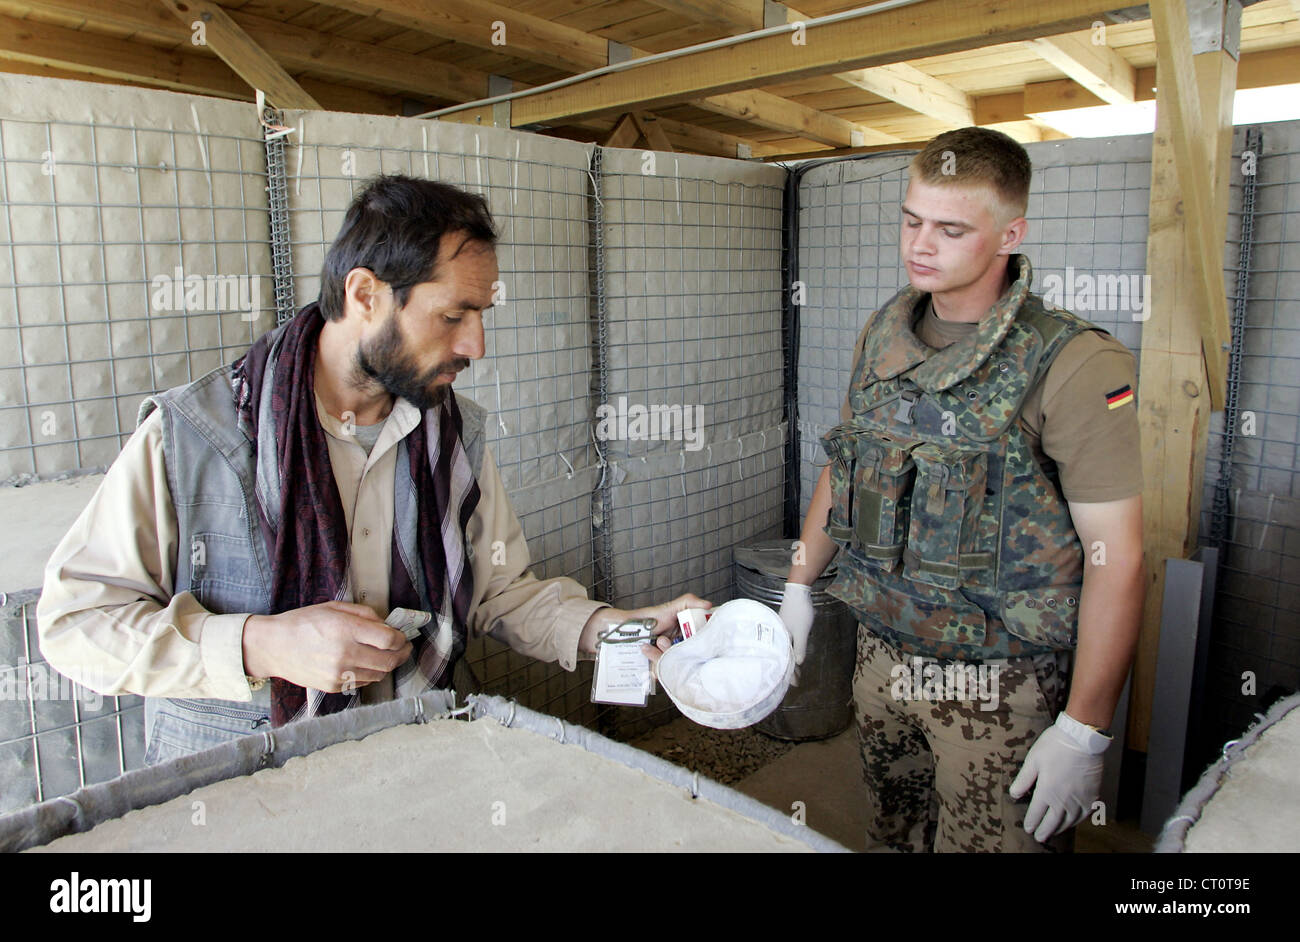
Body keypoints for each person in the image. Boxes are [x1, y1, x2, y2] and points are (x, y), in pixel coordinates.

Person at [37, 174, 702, 765]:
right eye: (452, 316)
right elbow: (75, 626)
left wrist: (614, 631)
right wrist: (260, 646)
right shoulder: (194, 435)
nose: (475, 345)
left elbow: (502, 592)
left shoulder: (454, 431)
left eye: (480, 316)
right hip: (239, 797)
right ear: (365, 294)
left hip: (404, 771)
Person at [777, 128, 1145, 852]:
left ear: (1011, 233)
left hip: (1001, 686)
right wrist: (797, 587)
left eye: (950, 229)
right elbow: (846, 462)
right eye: (912, 220)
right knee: (895, 834)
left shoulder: (1076, 364)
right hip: (881, 657)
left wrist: (1084, 728)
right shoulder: (884, 332)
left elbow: (1119, 557)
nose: (921, 244)